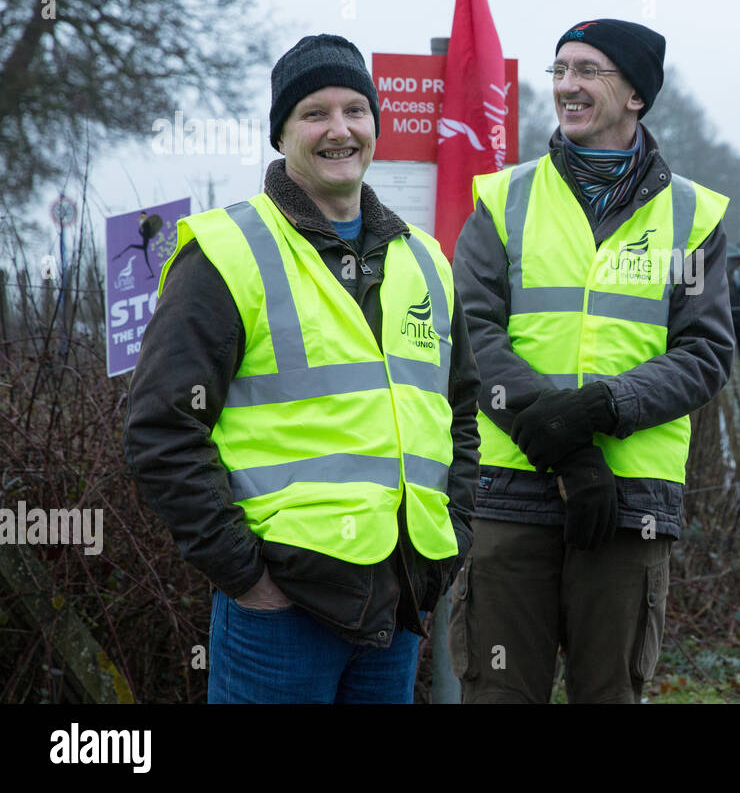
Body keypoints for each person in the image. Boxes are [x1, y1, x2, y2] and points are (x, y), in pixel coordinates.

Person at [124, 34, 481, 703]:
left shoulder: (427, 261)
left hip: (397, 606)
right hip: (282, 613)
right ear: (282, 133)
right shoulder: (227, 253)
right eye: (315, 113)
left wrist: (452, 541)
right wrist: (245, 578)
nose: (339, 130)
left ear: (376, 124)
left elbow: (461, 413)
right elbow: (159, 428)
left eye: (355, 110)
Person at [450, 18, 734, 703]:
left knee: (607, 693)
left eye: (587, 71)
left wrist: (607, 406)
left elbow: (705, 351)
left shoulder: (692, 217)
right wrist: (568, 449)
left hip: (631, 502)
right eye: (560, 71)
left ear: (635, 93)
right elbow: (472, 332)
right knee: (497, 694)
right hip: (509, 491)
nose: (566, 87)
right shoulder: (504, 199)